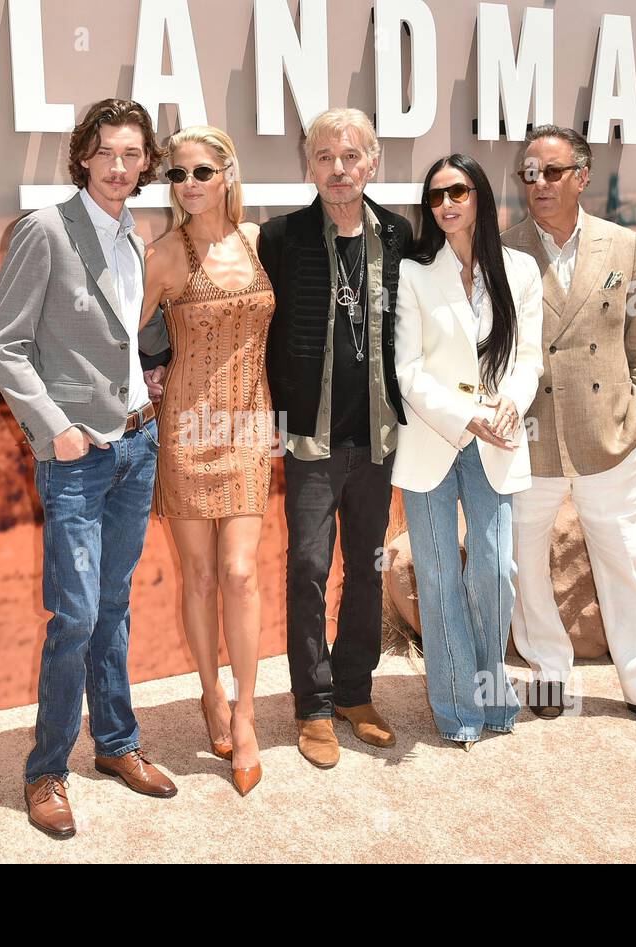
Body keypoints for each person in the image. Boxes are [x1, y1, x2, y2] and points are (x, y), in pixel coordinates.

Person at [0, 98, 179, 840]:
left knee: (115, 604)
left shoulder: (136, 239)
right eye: (107, 153)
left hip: (136, 446)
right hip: (78, 457)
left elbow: (129, 338)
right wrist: (56, 427)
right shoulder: (46, 230)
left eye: (132, 154)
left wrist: (148, 382)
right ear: (83, 157)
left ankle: (118, 743)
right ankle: (45, 769)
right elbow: (5, 344)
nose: (120, 166)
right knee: (77, 615)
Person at [501, 124, 636, 743]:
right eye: (529, 173)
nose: (539, 184)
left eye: (553, 172)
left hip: (609, 435)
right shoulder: (503, 250)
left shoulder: (624, 246)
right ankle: (548, 671)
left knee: (627, 560)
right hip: (529, 438)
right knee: (523, 563)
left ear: (582, 177)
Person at [258, 108, 413, 768]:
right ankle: (312, 704)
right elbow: (257, 331)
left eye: (351, 155)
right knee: (309, 568)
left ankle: (354, 690)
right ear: (308, 165)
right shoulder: (281, 237)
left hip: (377, 438)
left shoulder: (400, 235)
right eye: (325, 156)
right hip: (310, 442)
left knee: (368, 568)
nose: (339, 167)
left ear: (372, 163)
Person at [392, 154, 543, 748]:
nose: (446, 204)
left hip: (498, 441)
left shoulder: (521, 271)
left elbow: (529, 355)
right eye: (435, 197)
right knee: (436, 576)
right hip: (433, 438)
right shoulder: (413, 273)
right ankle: (456, 707)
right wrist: (468, 416)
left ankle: (489, 687)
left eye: (457, 191)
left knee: (494, 568)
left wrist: (510, 402)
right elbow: (407, 370)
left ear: (480, 194)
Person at [140, 125, 274, 796]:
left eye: (200, 171)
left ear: (226, 173)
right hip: (189, 431)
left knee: (241, 572)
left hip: (251, 426)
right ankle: (210, 693)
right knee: (197, 575)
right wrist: (148, 379)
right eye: (176, 174)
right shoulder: (162, 256)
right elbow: (123, 338)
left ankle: (246, 716)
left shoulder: (259, 243)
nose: (188, 183)